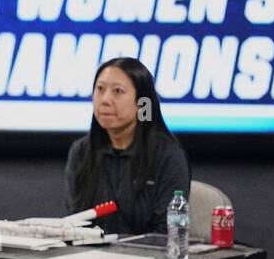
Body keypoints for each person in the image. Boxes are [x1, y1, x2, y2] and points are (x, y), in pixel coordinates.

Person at [61, 57, 189, 235]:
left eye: (118, 91)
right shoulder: (81, 151)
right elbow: (74, 222)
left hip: (149, 258)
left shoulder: (167, 155)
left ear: (142, 103)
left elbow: (167, 232)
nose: (105, 99)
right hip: (89, 257)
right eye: (100, 89)